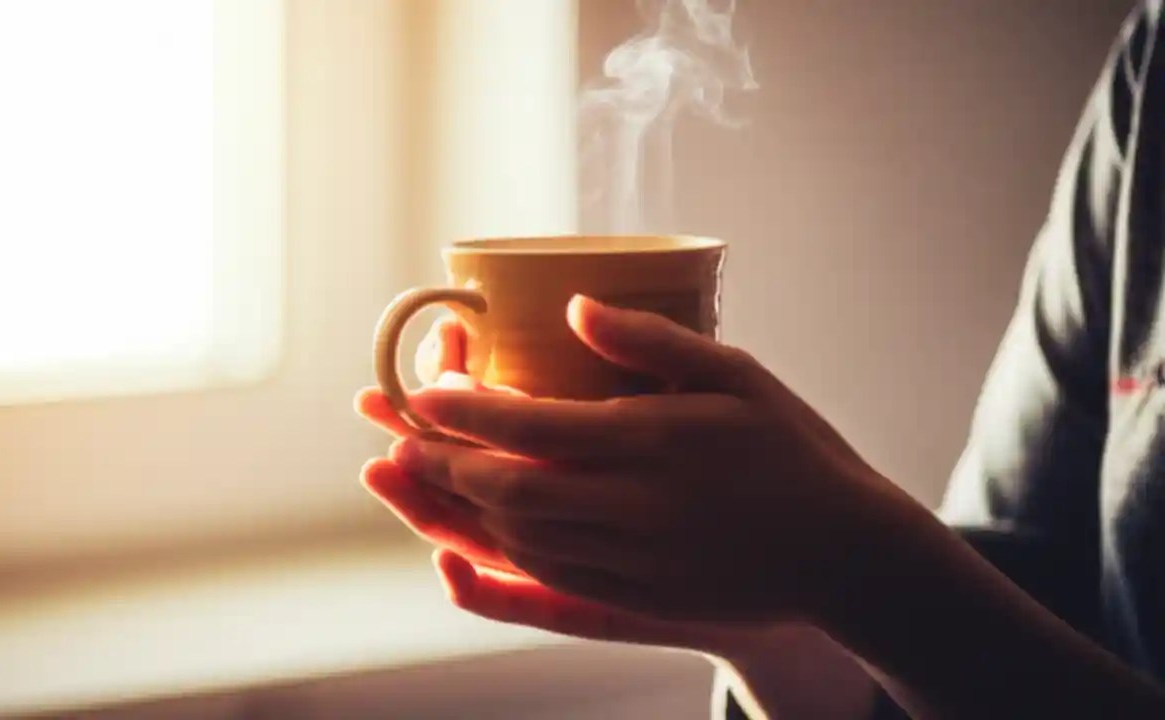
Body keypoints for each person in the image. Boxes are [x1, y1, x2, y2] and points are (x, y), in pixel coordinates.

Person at [355, 2, 1165, 716]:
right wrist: (780, 631)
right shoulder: (1151, 78)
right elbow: (1001, 632)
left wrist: (851, 567)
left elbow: (931, 613)